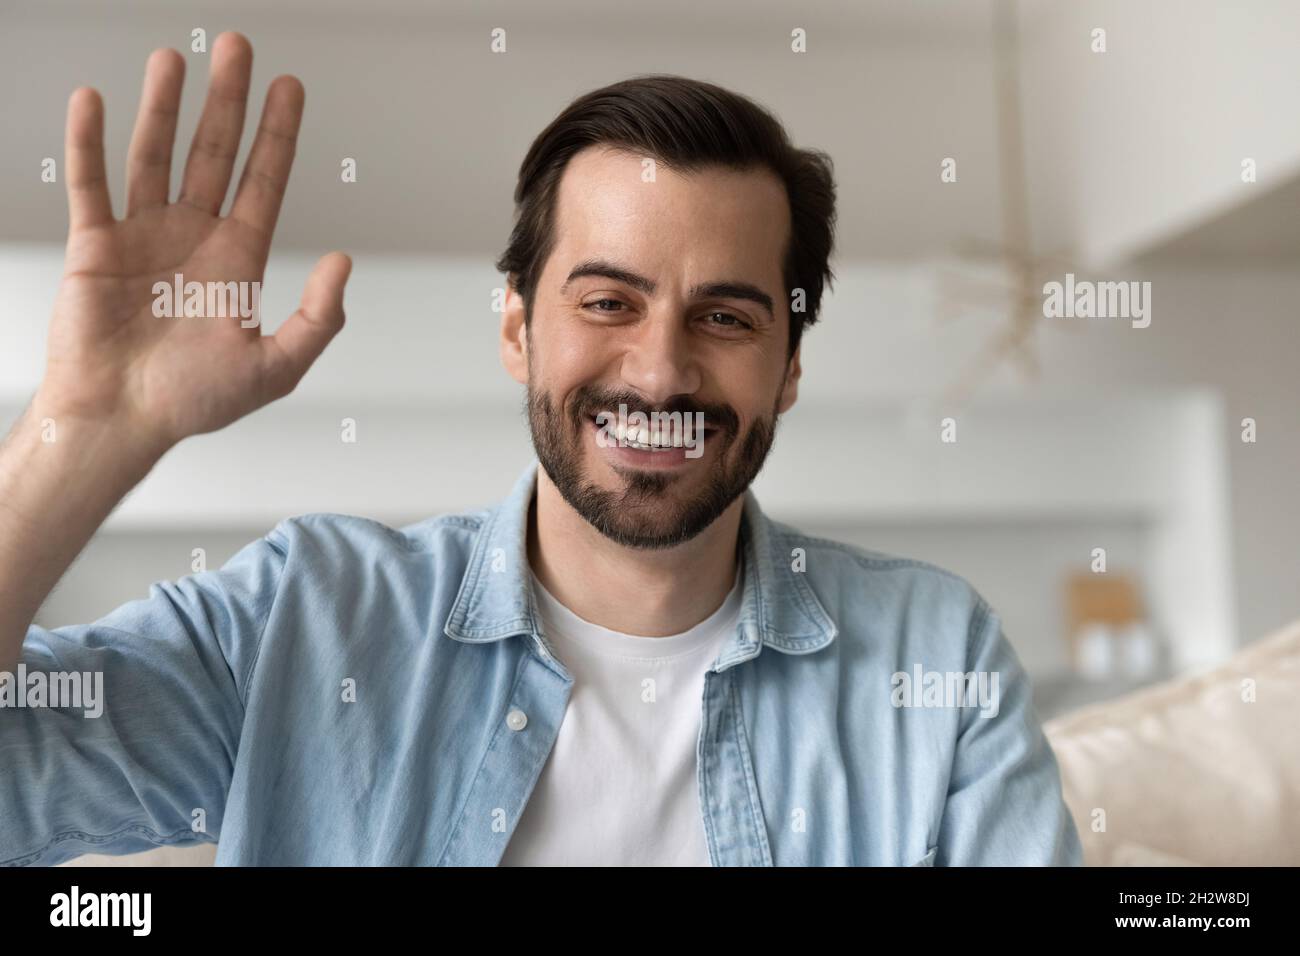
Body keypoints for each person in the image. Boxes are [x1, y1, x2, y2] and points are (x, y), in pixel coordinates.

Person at [0, 32, 1081, 866]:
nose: (658, 372)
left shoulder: (934, 659)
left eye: (725, 317)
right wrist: (84, 434)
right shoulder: (305, 619)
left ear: (789, 364)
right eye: (609, 299)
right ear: (517, 327)